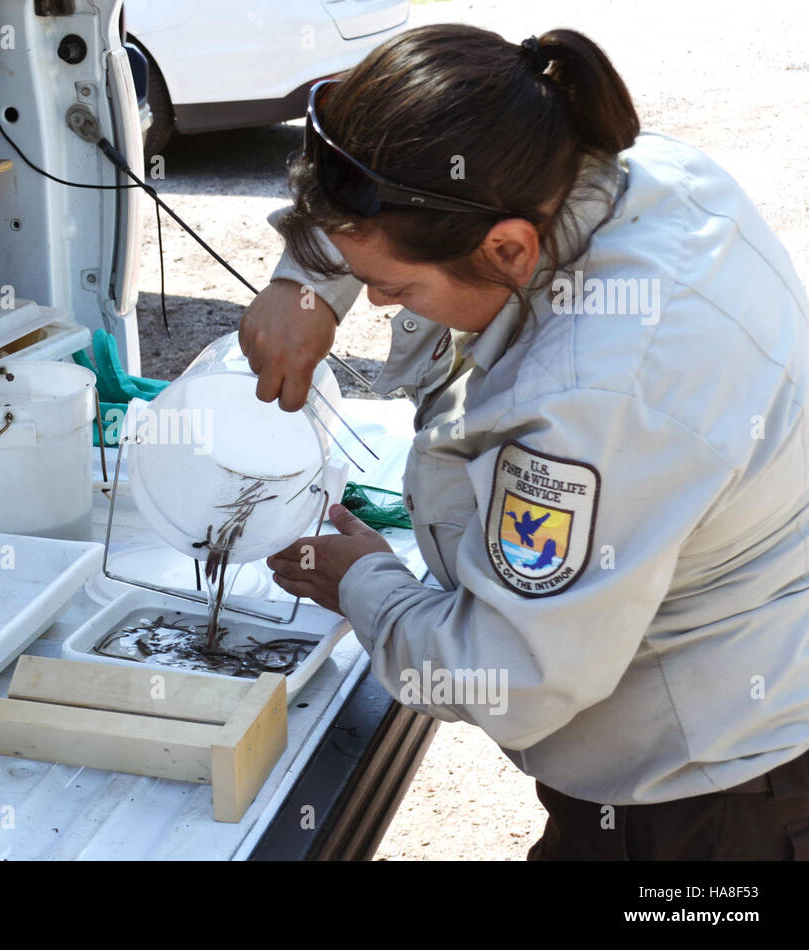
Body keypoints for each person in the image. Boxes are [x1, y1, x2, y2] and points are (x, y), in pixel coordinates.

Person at [245, 24, 809, 860]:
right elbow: (401, 173)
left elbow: (509, 677)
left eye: (389, 288)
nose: (373, 305)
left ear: (507, 247)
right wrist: (308, 284)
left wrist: (364, 583)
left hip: (709, 809)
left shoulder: (599, 400)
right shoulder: (620, 169)